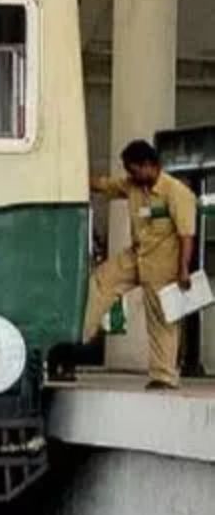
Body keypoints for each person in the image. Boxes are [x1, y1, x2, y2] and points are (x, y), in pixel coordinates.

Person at [81, 139, 197, 390]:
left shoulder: (176, 193)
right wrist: (74, 175)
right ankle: (80, 336)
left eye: (133, 169)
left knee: (163, 320)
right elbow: (104, 185)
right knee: (100, 281)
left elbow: (186, 234)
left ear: (148, 165)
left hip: (163, 265)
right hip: (136, 257)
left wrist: (183, 269)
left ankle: (164, 376)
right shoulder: (134, 185)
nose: (129, 175)